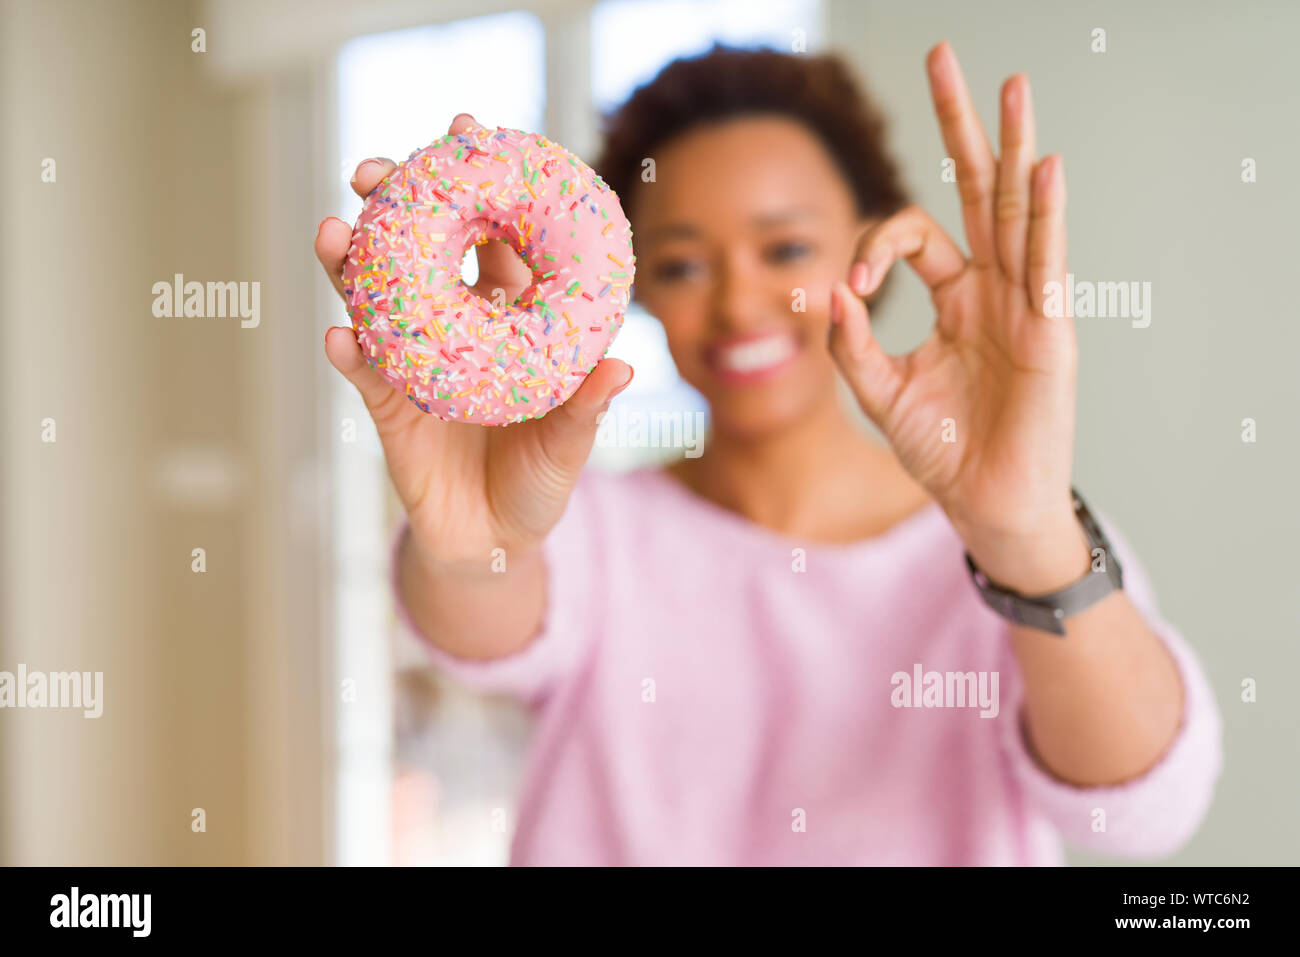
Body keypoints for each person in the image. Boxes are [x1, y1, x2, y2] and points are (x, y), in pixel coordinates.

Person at [313, 42, 1222, 865]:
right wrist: (475, 548)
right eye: (681, 264)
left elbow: (1140, 812)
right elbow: (479, 623)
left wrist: (1025, 534)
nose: (741, 304)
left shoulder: (1027, 555)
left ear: (876, 243)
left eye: (785, 247)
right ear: (633, 291)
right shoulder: (596, 531)